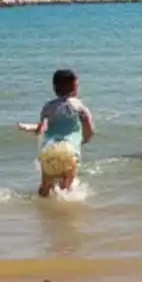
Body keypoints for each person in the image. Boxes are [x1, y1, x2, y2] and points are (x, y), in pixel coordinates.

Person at [17, 69, 95, 197]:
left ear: (54, 88)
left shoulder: (48, 107)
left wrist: (29, 128)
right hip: (69, 151)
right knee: (67, 187)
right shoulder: (79, 106)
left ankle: (41, 210)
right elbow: (89, 128)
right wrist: (85, 139)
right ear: (75, 87)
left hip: (50, 151)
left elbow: (41, 129)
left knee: (45, 187)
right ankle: (63, 212)